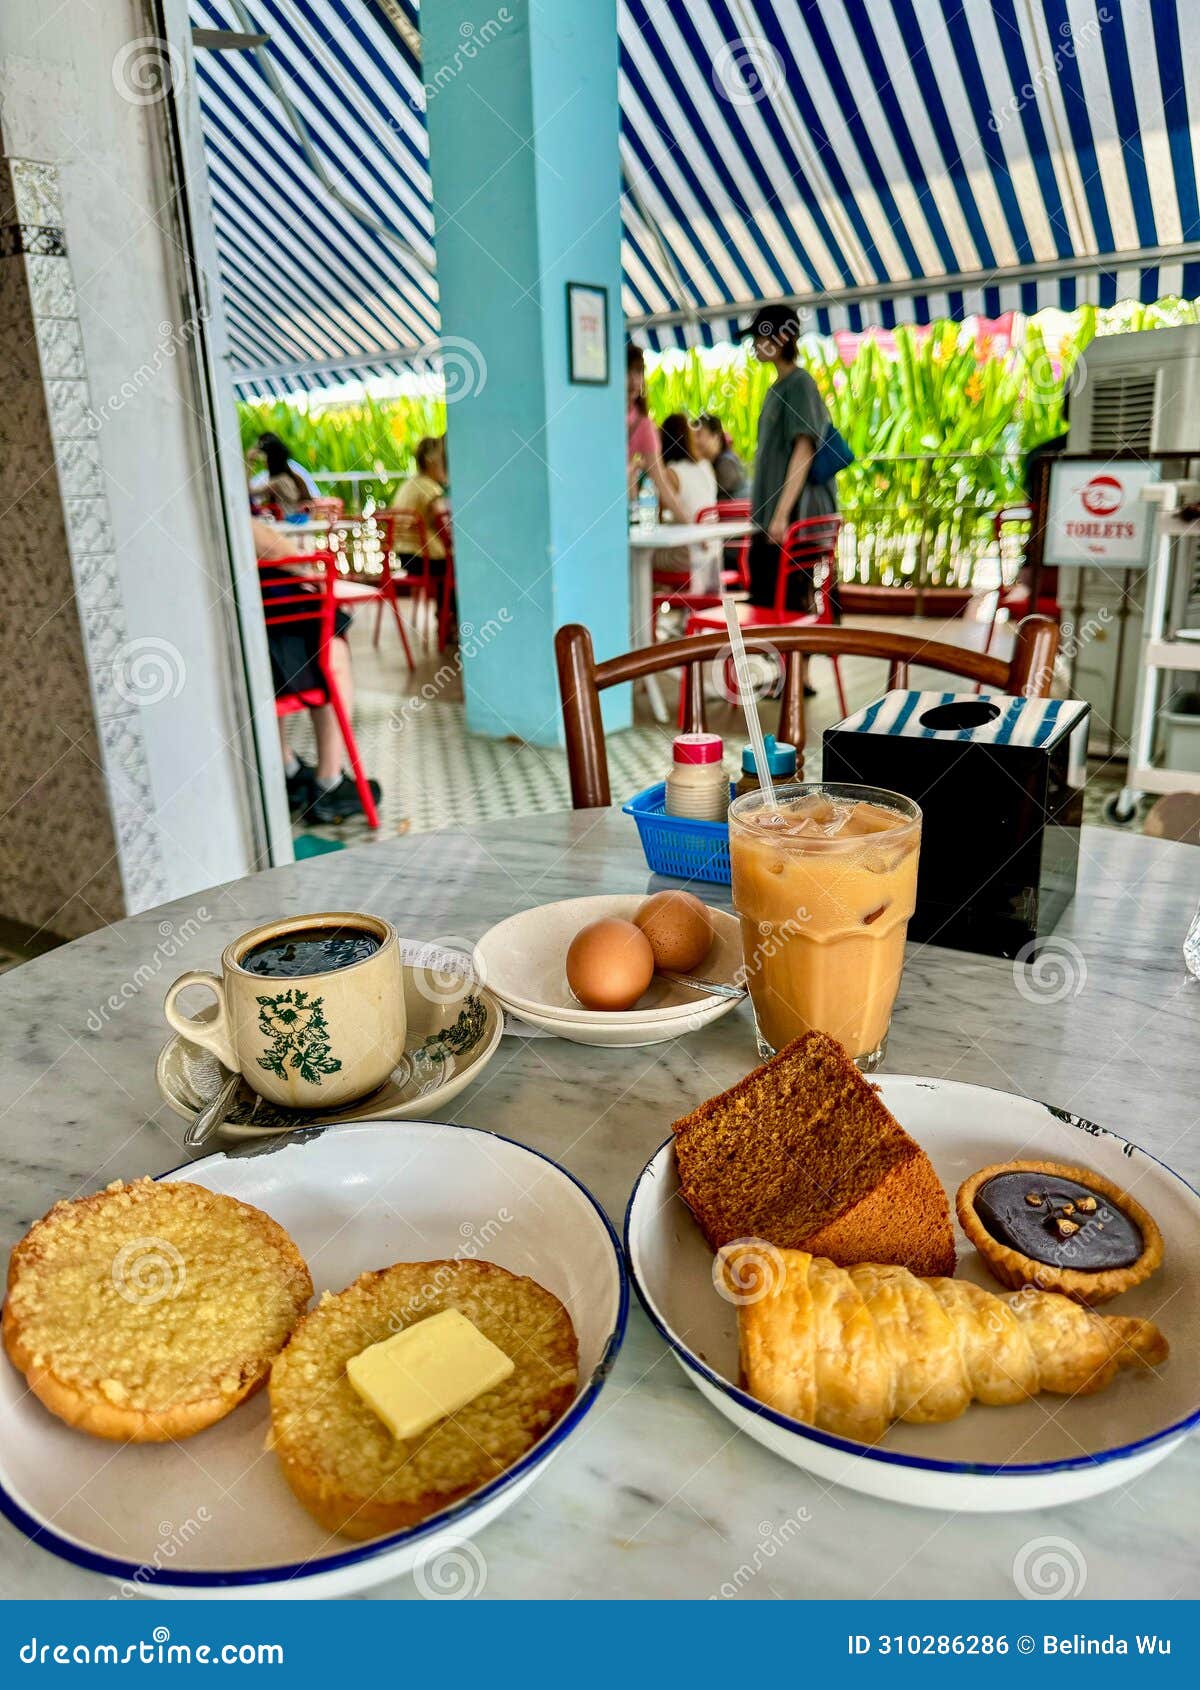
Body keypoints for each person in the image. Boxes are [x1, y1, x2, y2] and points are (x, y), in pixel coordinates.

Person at [252, 519, 384, 824]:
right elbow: (264, 541)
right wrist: (303, 570)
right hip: (278, 654)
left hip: (246, 642)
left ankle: (287, 767)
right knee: (329, 647)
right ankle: (329, 782)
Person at [742, 307, 837, 613]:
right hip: (773, 517)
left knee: (791, 603)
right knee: (767, 600)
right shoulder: (777, 387)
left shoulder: (800, 384)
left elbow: (804, 449)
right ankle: (784, 662)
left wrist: (781, 514)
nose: (756, 343)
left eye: (761, 336)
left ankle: (797, 663)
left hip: (792, 517)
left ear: (781, 338)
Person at [653, 412, 720, 590]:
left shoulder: (671, 473)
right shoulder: (705, 466)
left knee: (637, 559)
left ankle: (648, 613)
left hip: (690, 555)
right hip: (713, 552)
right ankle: (676, 613)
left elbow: (657, 517)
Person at [626, 344, 687, 522]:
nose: (634, 381)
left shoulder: (643, 424)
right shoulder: (598, 416)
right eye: (627, 372)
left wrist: (687, 523)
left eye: (638, 372)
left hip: (625, 513)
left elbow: (660, 480)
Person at [391, 436, 449, 562]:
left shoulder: (407, 484)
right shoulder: (431, 488)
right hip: (426, 557)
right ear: (430, 461)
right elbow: (445, 524)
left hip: (403, 555)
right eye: (442, 459)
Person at [248, 432, 320, 514]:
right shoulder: (293, 475)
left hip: (291, 523)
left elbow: (251, 492)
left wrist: (249, 462)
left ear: (270, 460)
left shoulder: (278, 481)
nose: (262, 459)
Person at [694, 412, 748, 500]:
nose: (695, 441)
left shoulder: (726, 463)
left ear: (715, 436)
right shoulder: (714, 462)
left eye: (699, 434)